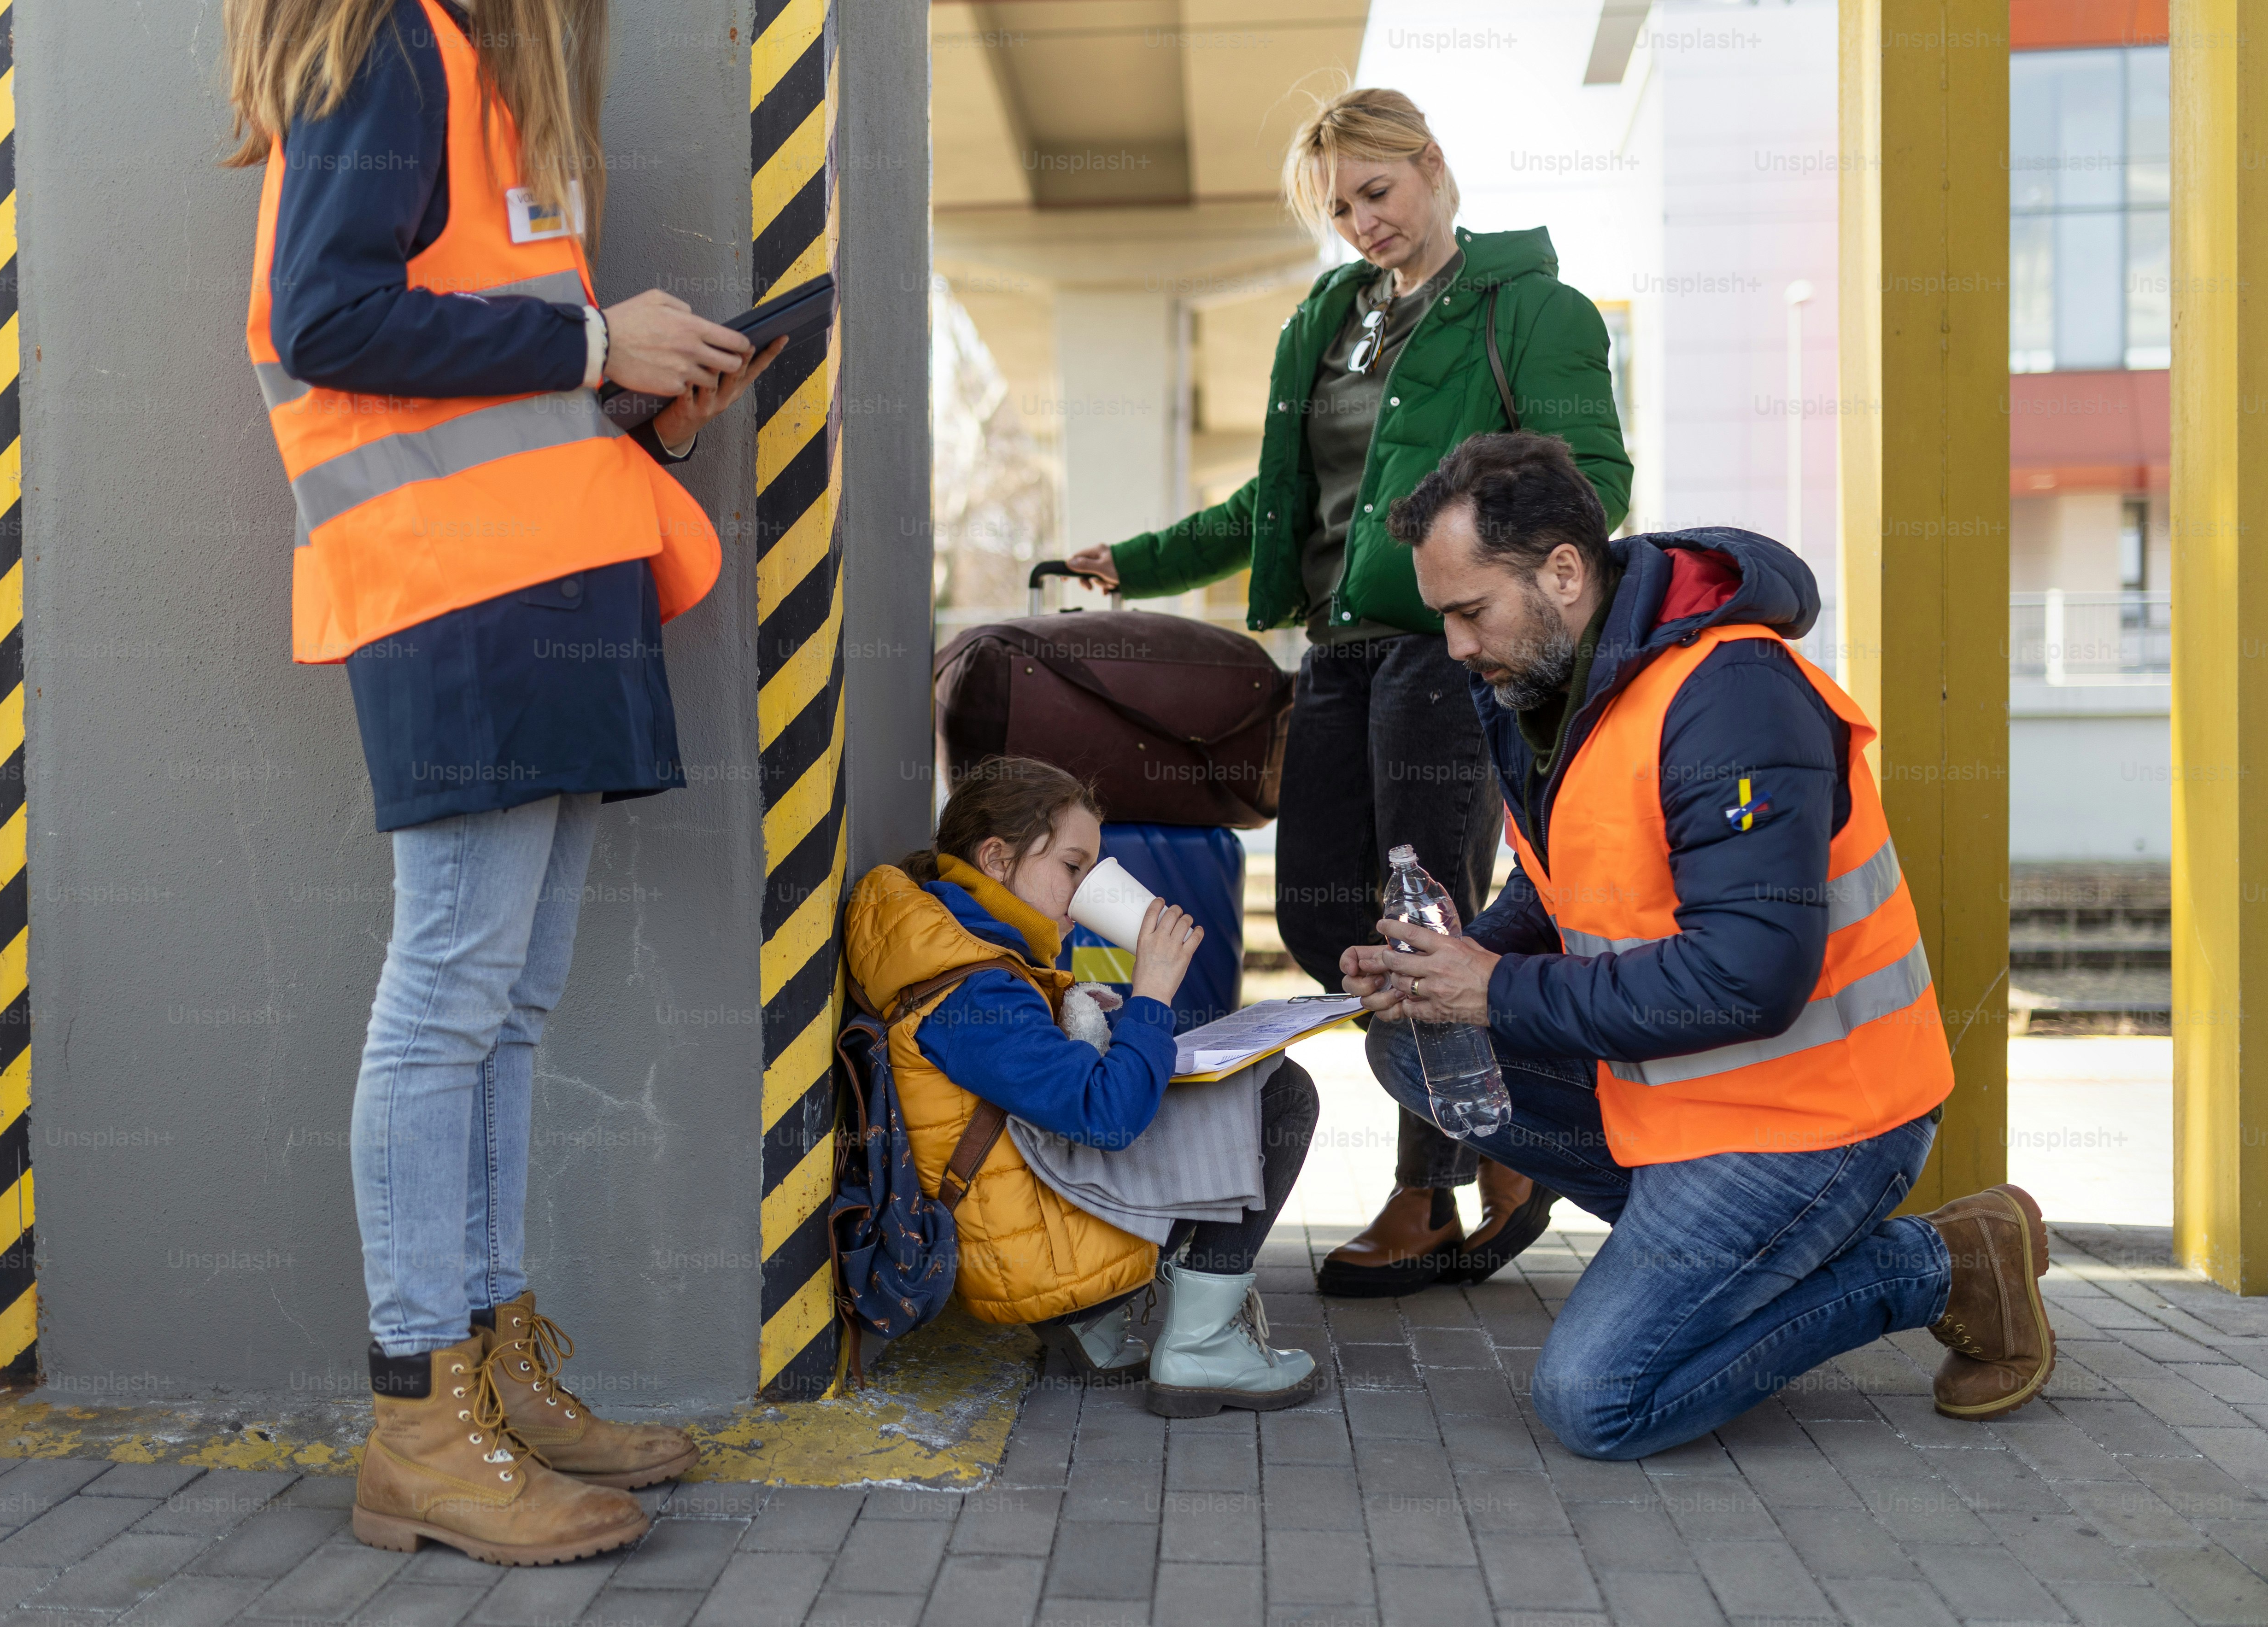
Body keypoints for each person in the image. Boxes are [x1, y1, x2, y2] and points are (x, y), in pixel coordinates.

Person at [227, 0, 783, 1564]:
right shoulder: (394, 43)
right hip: (455, 600)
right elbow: (323, 315)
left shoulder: (466, 59)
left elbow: (469, 370)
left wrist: (625, 397)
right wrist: (599, 339)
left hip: (528, 584)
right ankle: (418, 1416)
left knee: (506, 1000)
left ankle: (486, 1371)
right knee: (450, 995)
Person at [1341, 432, 2054, 1459]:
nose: (1455, 646)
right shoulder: (1539, 682)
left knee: (1597, 1400)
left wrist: (1493, 990)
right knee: (1409, 1042)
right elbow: (1559, 886)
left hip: (1824, 1116)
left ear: (1565, 571)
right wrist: (1440, 966)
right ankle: (1720, 1258)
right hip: (1690, 1092)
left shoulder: (1733, 695)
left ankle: (1948, 1261)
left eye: (1469, 611)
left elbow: (1751, 975)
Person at [1065, 88, 1632, 1298]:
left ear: (1431, 165)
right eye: (1338, 209)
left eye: (1375, 193)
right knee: (1328, 924)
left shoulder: (1527, 309)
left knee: (1418, 920)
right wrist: (1140, 561)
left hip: (1447, 644)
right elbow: (1270, 507)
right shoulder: (1328, 319)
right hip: (1335, 650)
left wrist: (1485, 575)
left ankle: (1425, 1193)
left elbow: (1592, 478)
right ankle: (1502, 1141)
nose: (1359, 222)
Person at [844, 758, 1325, 1418]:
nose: (1081, 892)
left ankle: (1092, 1330)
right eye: (1072, 867)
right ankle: (1201, 1348)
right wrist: (1152, 992)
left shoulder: (953, 945)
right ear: (996, 858)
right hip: (1035, 1266)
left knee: (1211, 1080)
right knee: (1280, 1093)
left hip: (1027, 1231)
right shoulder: (975, 987)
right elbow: (1106, 1117)